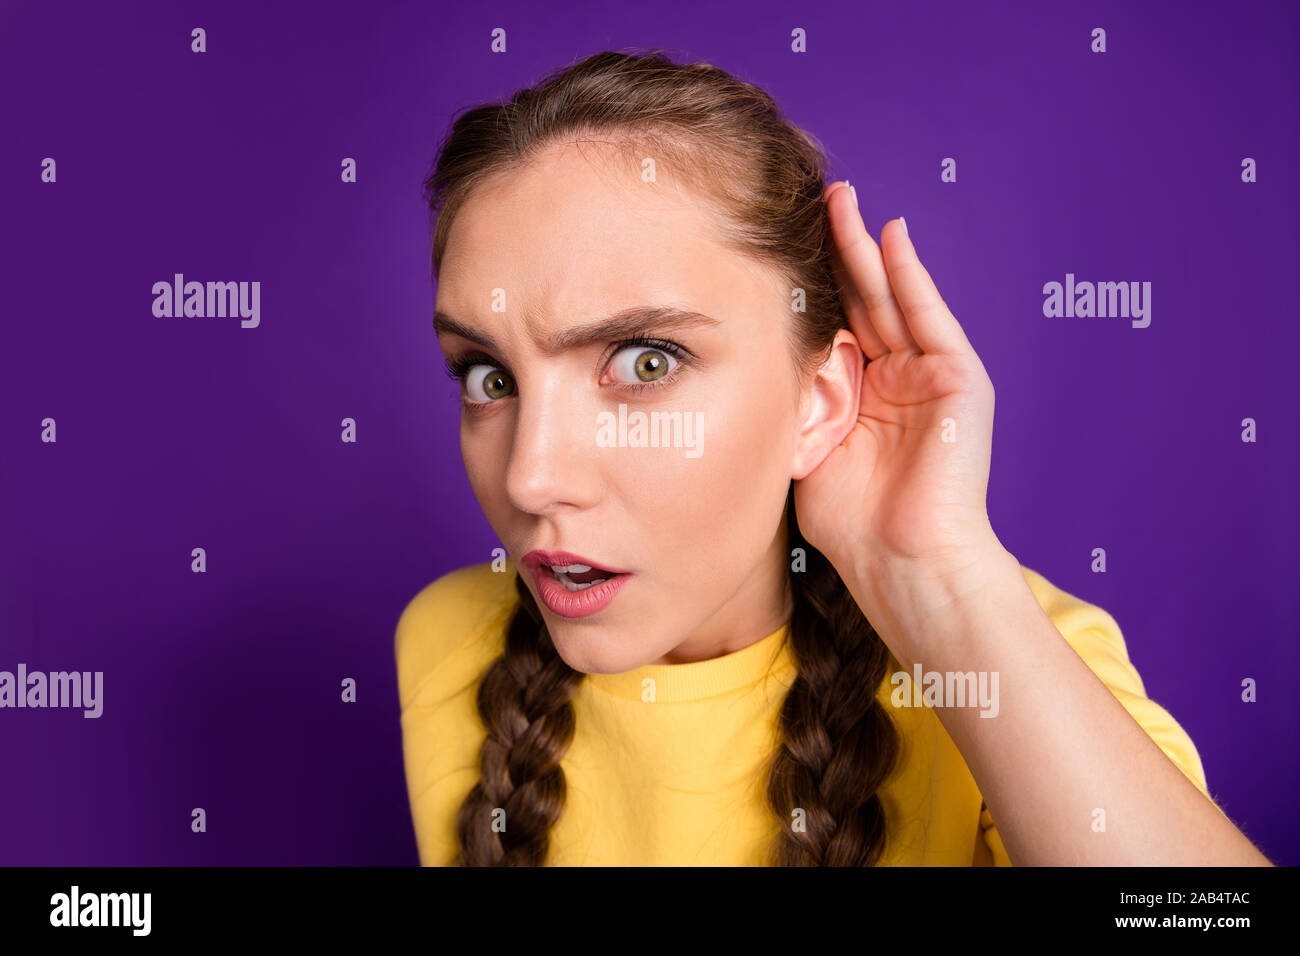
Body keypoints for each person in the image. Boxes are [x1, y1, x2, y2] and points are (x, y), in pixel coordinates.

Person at [395, 49, 1272, 866]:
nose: (530, 477)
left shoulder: (1001, 661)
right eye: (488, 376)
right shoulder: (446, 641)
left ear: (818, 403)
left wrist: (936, 583)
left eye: (645, 363)